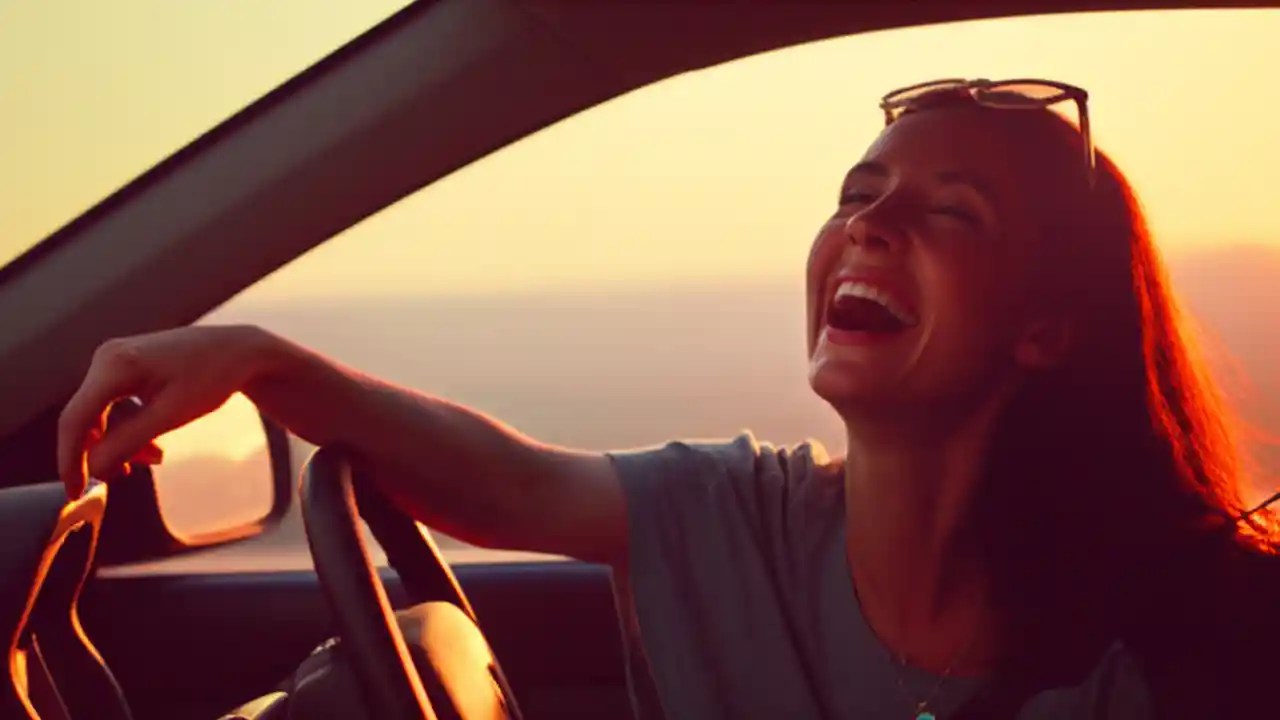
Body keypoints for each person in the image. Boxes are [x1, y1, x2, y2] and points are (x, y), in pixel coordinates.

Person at [58, 79, 1279, 719]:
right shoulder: (733, 516)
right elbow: (507, 481)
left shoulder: (1188, 645)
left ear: (1046, 329)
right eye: (859, 190)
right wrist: (270, 363)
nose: (868, 221)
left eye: (947, 210)